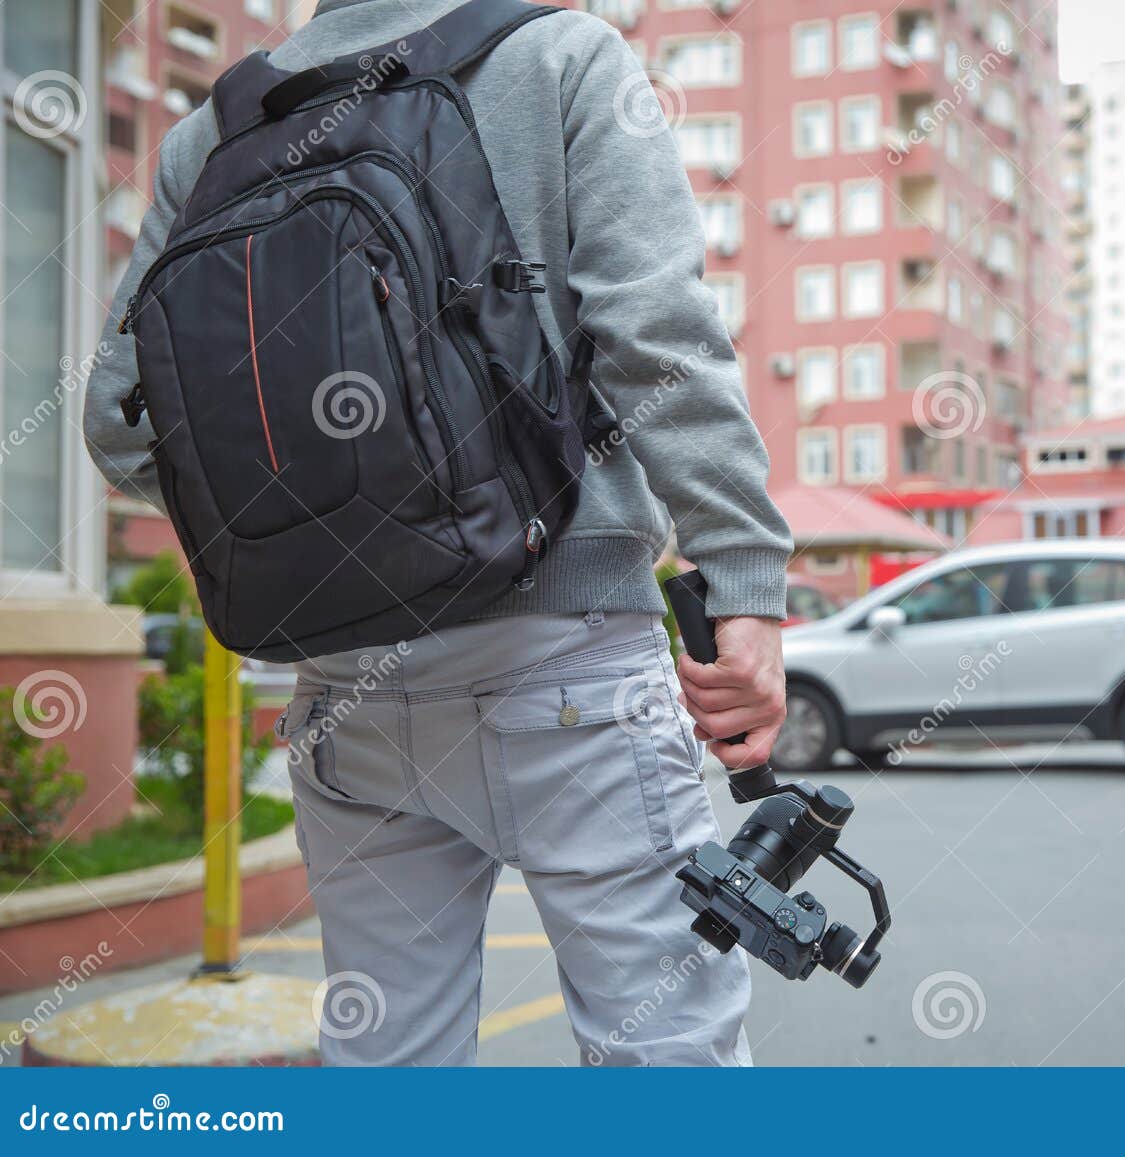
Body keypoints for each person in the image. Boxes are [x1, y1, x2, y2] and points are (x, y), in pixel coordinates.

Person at [82, 0, 792, 1067]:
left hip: (340, 680)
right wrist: (740, 577)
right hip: (565, 657)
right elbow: (657, 336)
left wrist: (307, 524)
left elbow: (116, 420)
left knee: (388, 1057)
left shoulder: (214, 132)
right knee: (666, 1050)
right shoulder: (558, 54)